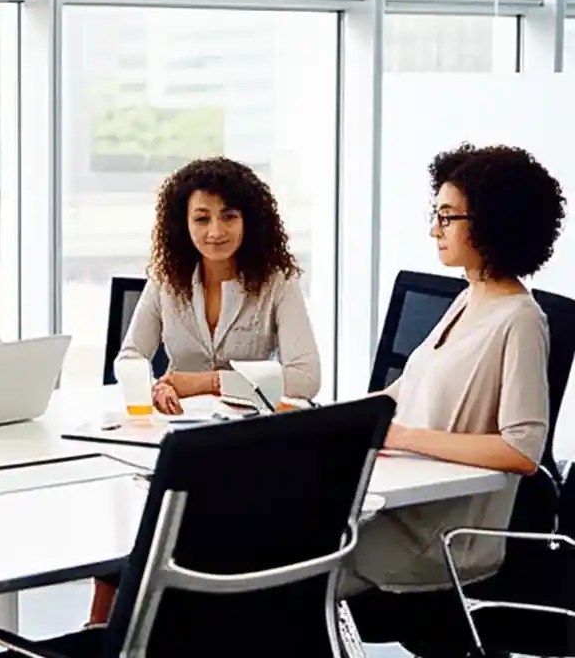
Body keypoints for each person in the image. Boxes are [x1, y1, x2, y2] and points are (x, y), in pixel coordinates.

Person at [344, 144, 564, 658]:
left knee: (293, 562)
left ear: (490, 223)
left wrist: (403, 437)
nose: (435, 228)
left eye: (447, 216)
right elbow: (408, 388)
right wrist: (349, 418)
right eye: (435, 214)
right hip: (408, 505)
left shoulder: (521, 320)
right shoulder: (467, 296)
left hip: (444, 536)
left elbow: (523, 448)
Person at [88, 157, 322, 624]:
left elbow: (305, 378)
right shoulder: (166, 278)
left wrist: (211, 382)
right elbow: (130, 355)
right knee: (133, 533)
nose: (215, 230)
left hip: (253, 446)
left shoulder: (278, 281)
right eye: (202, 218)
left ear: (249, 221)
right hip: (178, 438)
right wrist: (150, 387)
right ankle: (101, 633)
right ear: (183, 223)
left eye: (229, 216)